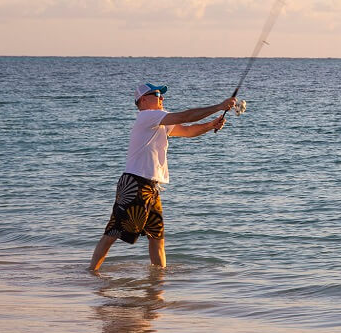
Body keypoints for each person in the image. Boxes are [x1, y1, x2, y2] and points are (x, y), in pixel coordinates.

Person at [89, 82, 236, 271]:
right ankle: (91, 273)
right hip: (135, 183)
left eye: (161, 94)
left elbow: (188, 130)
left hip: (151, 187)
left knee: (157, 238)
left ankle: (157, 285)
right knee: (113, 233)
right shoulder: (148, 116)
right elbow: (185, 116)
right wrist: (219, 106)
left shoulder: (158, 121)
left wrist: (211, 125)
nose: (162, 98)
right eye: (157, 94)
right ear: (143, 100)